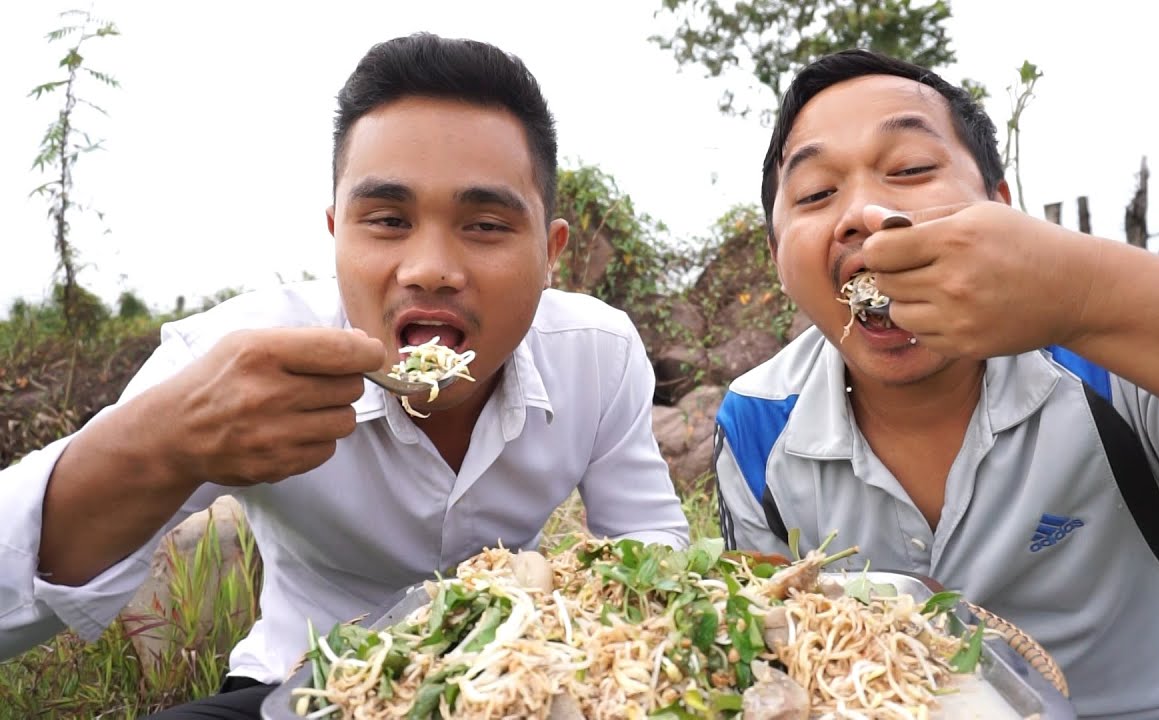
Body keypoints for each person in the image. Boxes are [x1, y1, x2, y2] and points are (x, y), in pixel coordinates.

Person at [0, 32, 689, 718]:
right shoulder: (240, 355)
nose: (428, 268)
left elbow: (654, 552)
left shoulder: (598, 354)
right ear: (337, 234)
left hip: (523, 680)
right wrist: (159, 446)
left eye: (483, 225)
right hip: (299, 686)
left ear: (550, 253)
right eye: (388, 220)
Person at [714, 48, 1159, 719]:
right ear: (779, 253)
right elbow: (763, 657)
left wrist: (1087, 299)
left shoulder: (1113, 349)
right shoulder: (757, 423)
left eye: (911, 169)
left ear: (998, 208)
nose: (863, 211)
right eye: (815, 194)